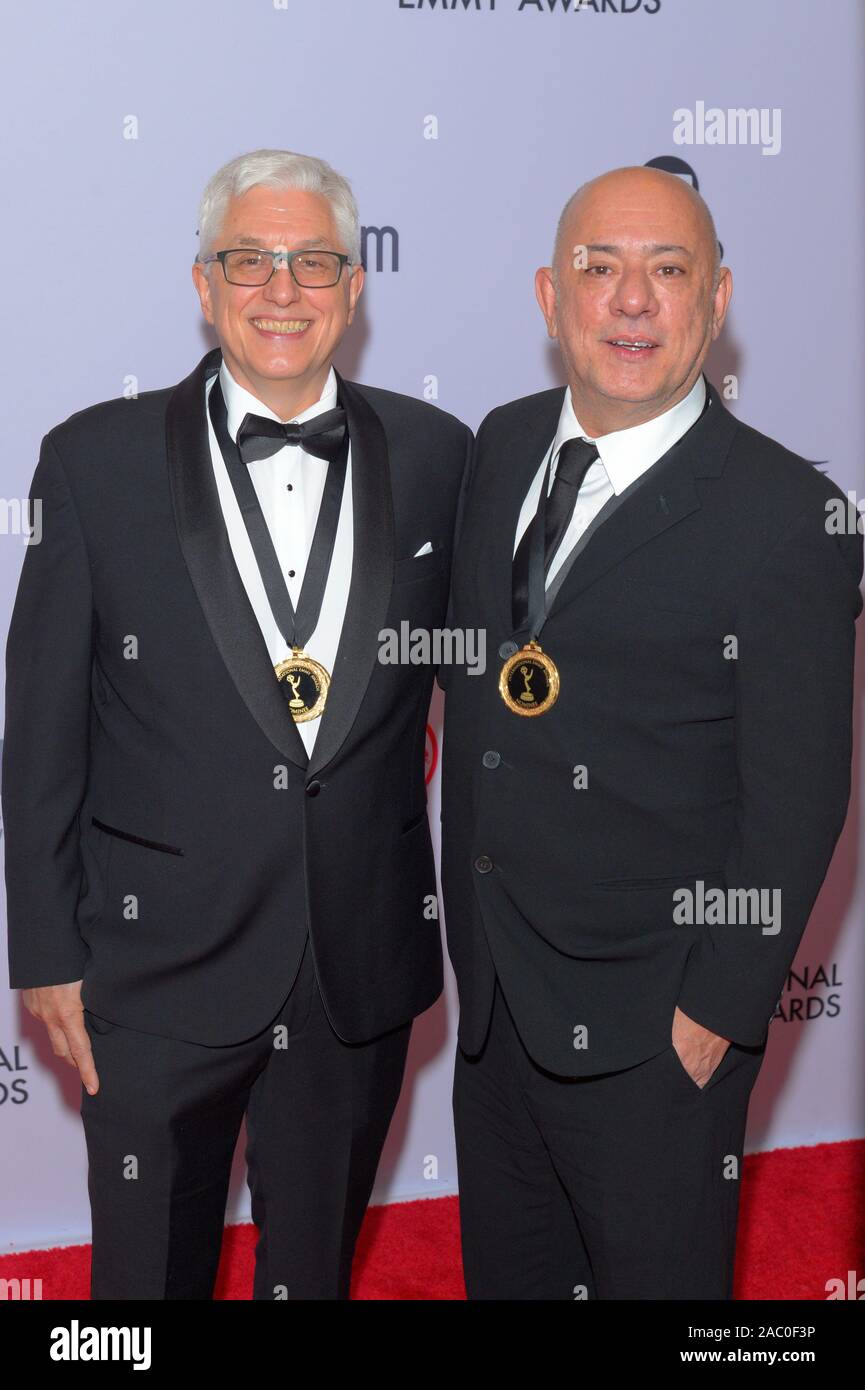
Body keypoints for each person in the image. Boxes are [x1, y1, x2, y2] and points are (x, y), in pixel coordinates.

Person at [3, 148, 470, 1299]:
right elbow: (41, 729)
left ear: (354, 291)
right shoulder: (93, 461)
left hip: (353, 965)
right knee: (139, 1291)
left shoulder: (438, 455)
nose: (281, 289)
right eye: (248, 261)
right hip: (153, 964)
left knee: (312, 1273)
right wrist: (49, 950)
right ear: (203, 285)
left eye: (312, 262)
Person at [440, 165, 863, 1299]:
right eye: (599, 267)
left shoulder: (786, 519)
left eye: (667, 271)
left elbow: (799, 798)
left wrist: (714, 1012)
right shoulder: (501, 444)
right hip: (495, 1019)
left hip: (653, 1036)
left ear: (715, 300)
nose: (632, 300)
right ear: (548, 295)